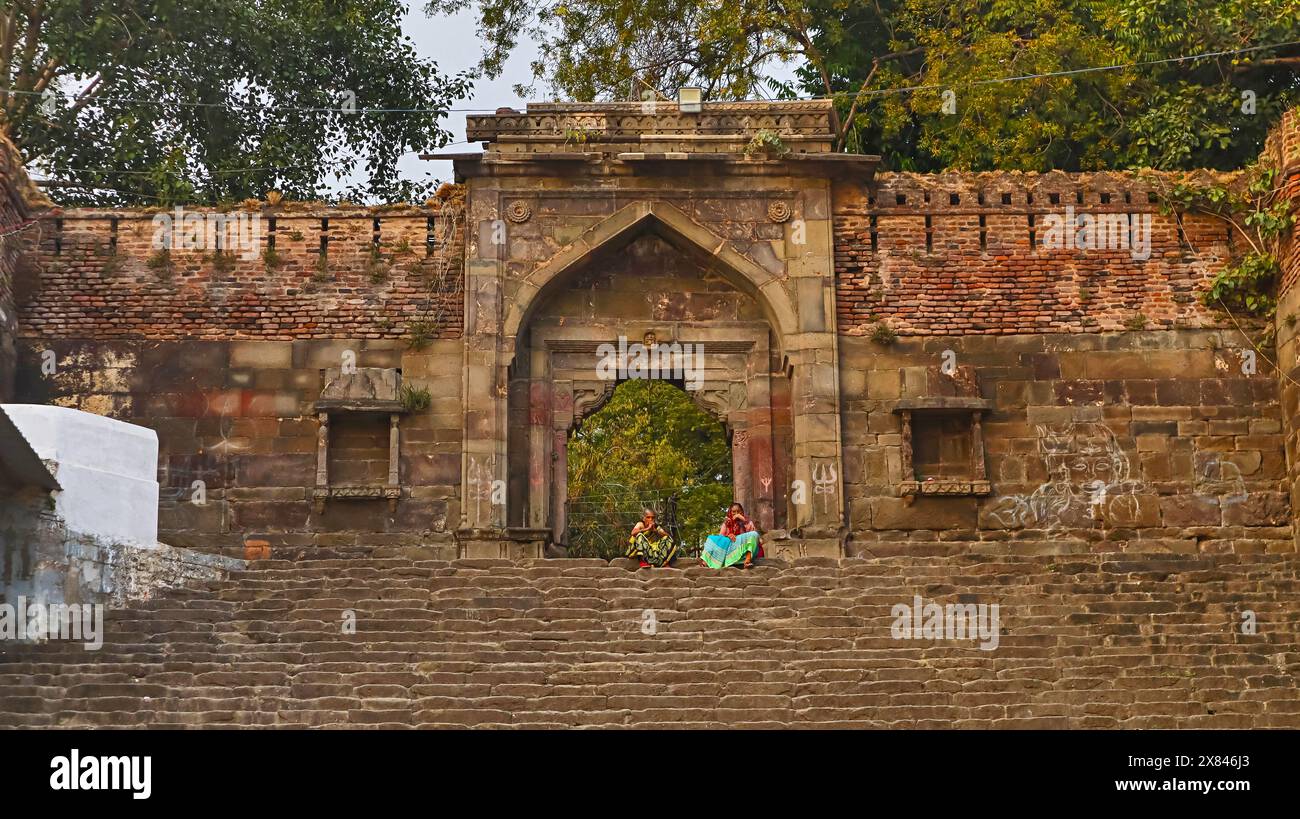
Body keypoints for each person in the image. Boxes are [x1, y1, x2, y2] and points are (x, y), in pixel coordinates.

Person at [701, 503, 761, 569]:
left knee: (754, 534)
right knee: (711, 538)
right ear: (730, 512)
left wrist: (743, 520)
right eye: (734, 512)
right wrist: (728, 536)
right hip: (730, 548)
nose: (736, 513)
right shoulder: (727, 523)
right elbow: (720, 538)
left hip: (743, 548)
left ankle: (747, 561)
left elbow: (754, 537)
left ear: (742, 512)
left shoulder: (747, 521)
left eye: (738, 511)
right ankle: (705, 562)